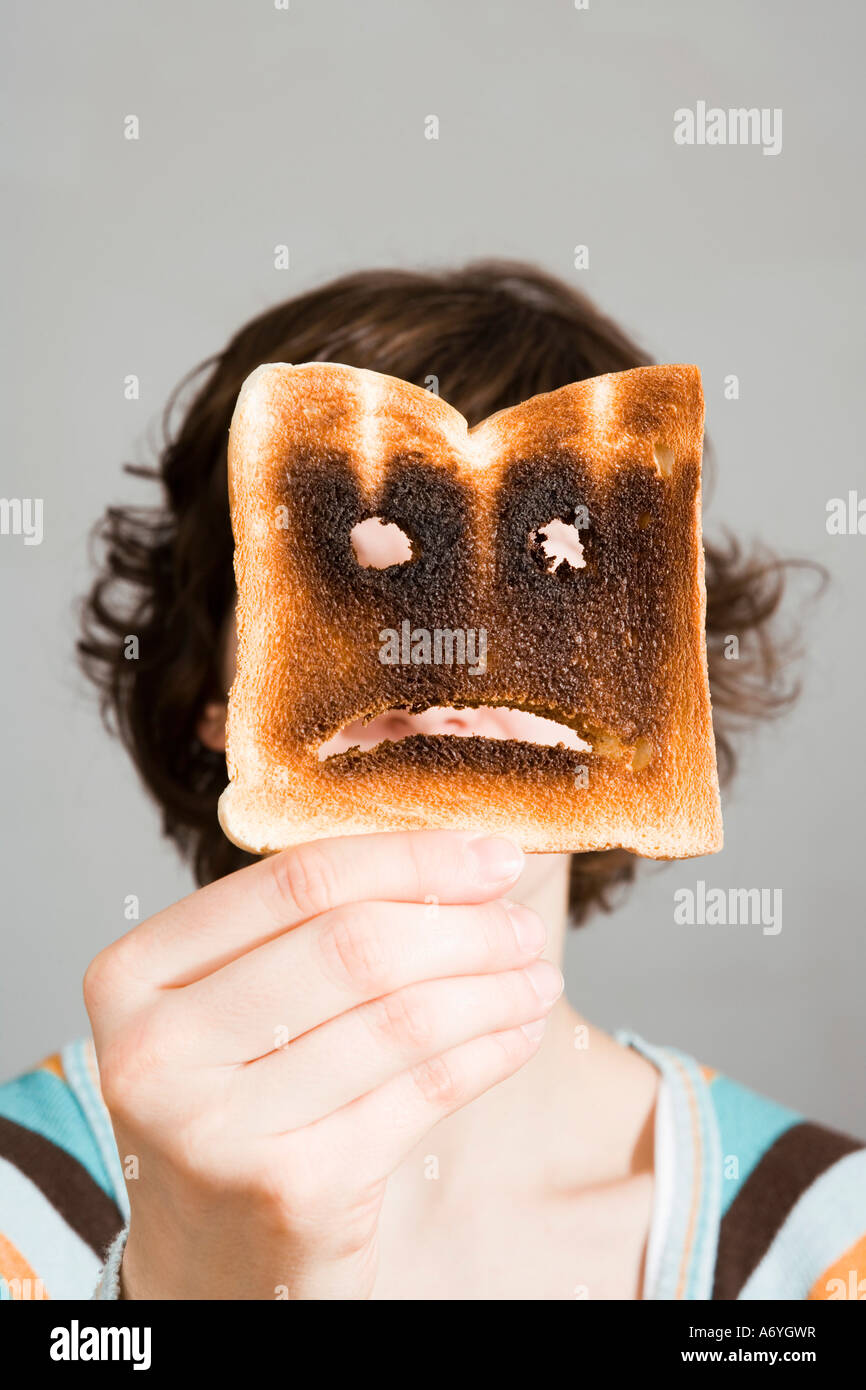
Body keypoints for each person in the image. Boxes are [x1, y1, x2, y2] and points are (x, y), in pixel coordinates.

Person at [1, 263, 862, 1302]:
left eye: (549, 574)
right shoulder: (25, 1208)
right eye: (365, 562)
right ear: (215, 693)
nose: (447, 667)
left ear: (655, 698)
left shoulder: (822, 1241)